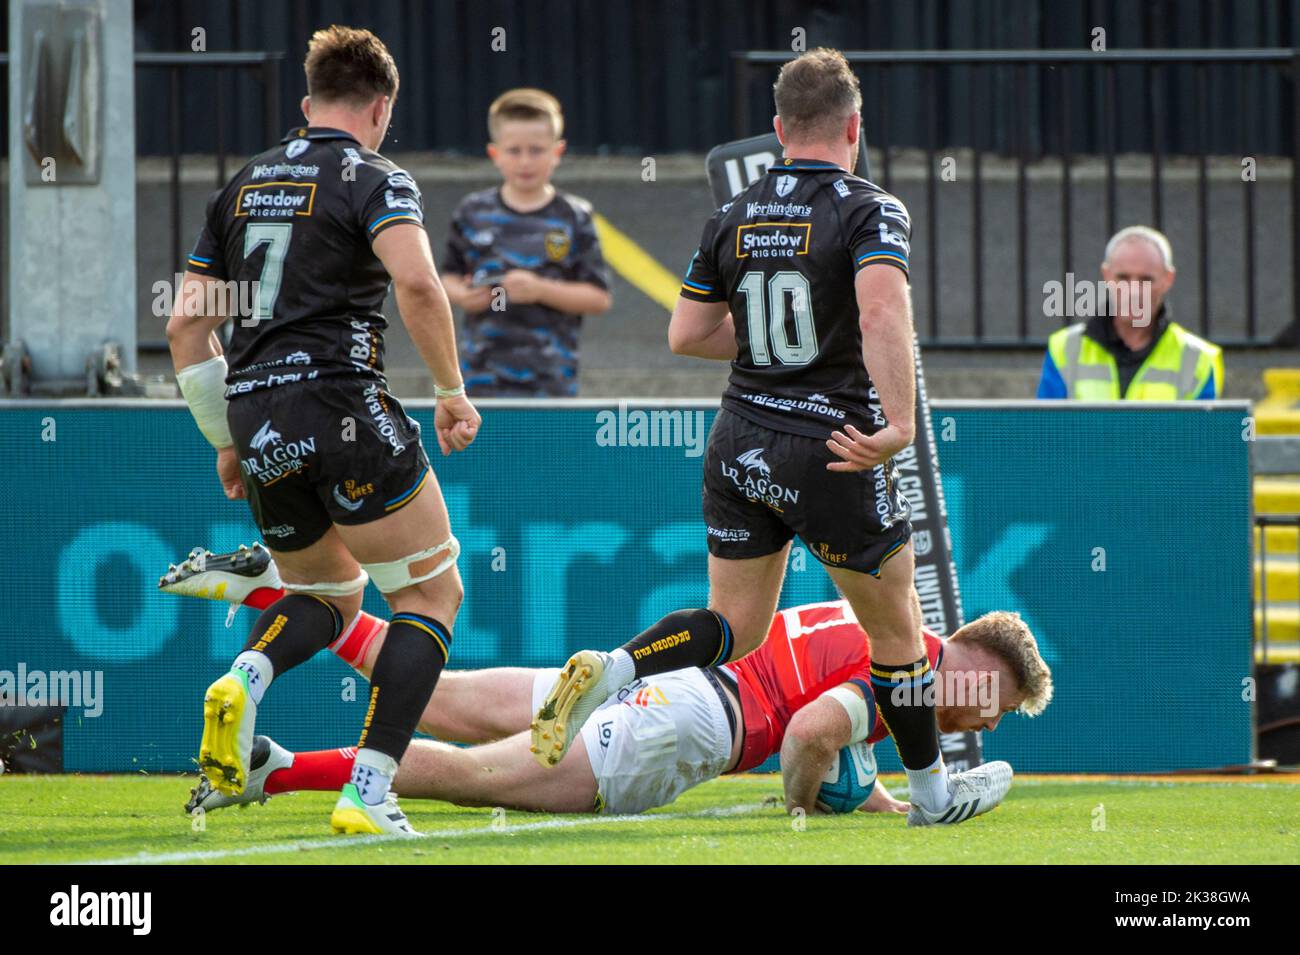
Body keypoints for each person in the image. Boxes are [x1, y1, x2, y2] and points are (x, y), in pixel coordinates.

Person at [527, 48, 1000, 826]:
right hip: (832, 447)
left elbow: (686, 334)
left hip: (739, 438)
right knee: (898, 633)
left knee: (734, 629)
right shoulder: (869, 207)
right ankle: (932, 797)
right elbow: (883, 314)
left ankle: (614, 666)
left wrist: (777, 348)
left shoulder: (733, 215)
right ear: (854, 125)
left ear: (780, 128)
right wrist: (902, 424)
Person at [165, 26, 480, 837]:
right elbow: (416, 281)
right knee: (430, 593)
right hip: (341, 403)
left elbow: (184, 328)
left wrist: (225, 440)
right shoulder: (372, 174)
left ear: (307, 106)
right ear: (381, 108)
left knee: (329, 594)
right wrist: (450, 392)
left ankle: (247, 672)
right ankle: (369, 789)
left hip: (258, 414)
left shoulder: (242, 184)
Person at [166, 548, 1050, 819]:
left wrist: (875, 797)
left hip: (678, 674)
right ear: (970, 654)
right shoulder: (909, 672)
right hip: (694, 724)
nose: (983, 717)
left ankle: (288, 595)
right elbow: (815, 730)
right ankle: (273, 770)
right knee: (474, 775)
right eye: (994, 699)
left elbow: (821, 706)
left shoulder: (884, 626)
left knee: (436, 697)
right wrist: (809, 804)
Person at [440, 88, 613, 397]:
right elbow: (446, 277)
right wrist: (464, 296)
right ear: (494, 154)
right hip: (480, 380)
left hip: (551, 382)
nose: (525, 161)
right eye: (514, 151)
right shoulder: (473, 211)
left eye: (536, 150)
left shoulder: (574, 216)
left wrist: (540, 290)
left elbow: (598, 297)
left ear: (557, 152)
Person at [1037, 225, 1224, 400]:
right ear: (1106, 275)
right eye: (1123, 278)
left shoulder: (1199, 359)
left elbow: (1203, 435)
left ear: (1168, 279)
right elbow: (1045, 431)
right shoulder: (1064, 349)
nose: (1134, 291)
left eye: (1146, 280)